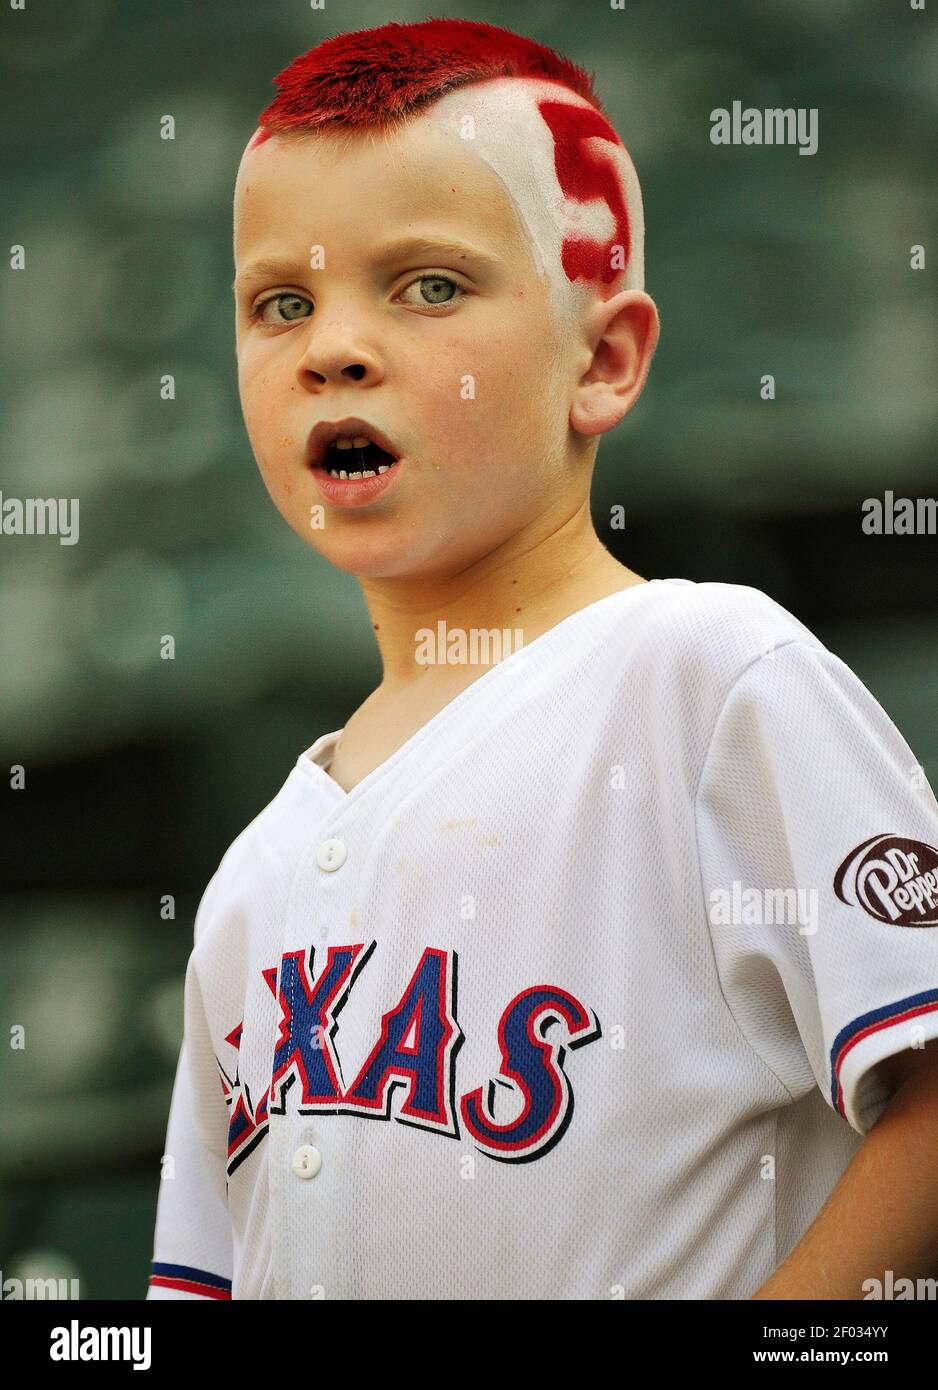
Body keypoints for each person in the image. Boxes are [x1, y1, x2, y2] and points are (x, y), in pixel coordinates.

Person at [147, 18, 938, 1301]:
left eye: (428, 285)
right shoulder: (249, 880)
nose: (330, 346)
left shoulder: (706, 674)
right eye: (279, 301)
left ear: (604, 358)